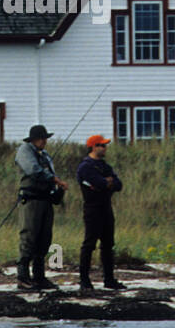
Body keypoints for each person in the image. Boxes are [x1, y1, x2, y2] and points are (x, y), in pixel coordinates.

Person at [14, 124, 68, 291]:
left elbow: (48, 172)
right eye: (42, 138)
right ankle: (22, 277)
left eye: (45, 138)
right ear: (34, 139)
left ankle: (39, 277)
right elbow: (33, 170)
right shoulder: (25, 151)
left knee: (44, 239)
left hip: (45, 200)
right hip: (31, 201)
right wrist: (55, 179)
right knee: (29, 236)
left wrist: (56, 188)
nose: (45, 141)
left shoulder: (44, 155)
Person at [76, 135, 126, 291]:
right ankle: (84, 281)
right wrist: (106, 182)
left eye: (105, 146)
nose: (105, 148)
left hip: (106, 207)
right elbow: (100, 183)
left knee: (108, 244)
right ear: (93, 147)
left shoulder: (104, 166)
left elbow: (118, 185)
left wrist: (106, 183)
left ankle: (109, 280)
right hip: (92, 208)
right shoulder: (85, 167)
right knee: (89, 244)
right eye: (101, 146)